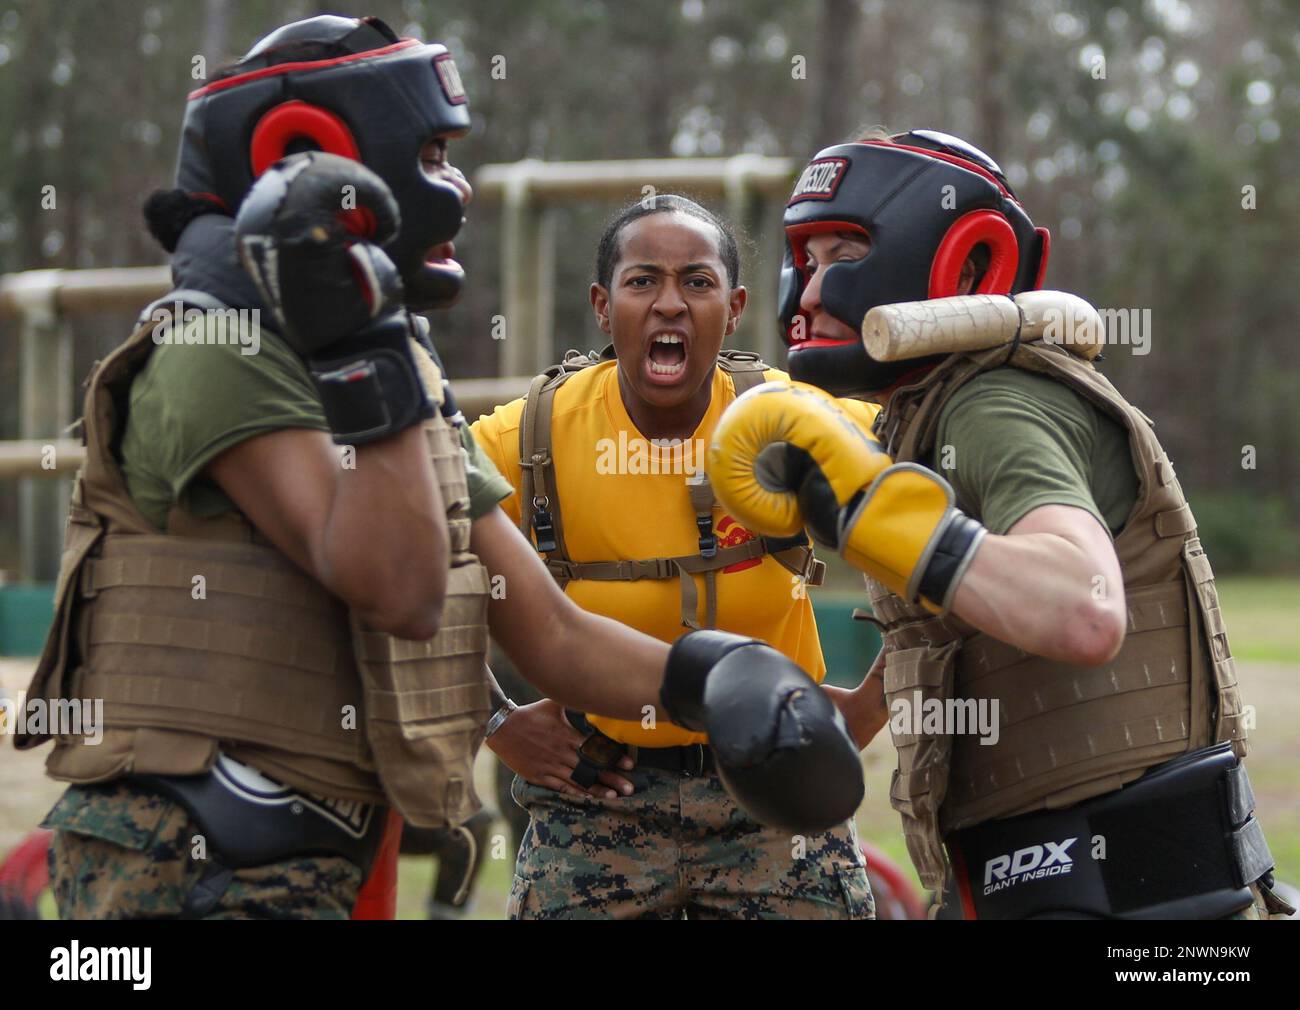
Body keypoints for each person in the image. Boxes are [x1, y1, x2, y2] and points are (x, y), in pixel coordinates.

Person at [14, 15, 859, 920]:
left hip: (302, 850)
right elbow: (401, 584)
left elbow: (550, 632)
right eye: (428, 154)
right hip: (179, 854)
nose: (454, 185)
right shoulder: (220, 350)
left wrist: (720, 682)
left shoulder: (394, 373)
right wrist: (368, 347)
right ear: (313, 159)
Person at [708, 128, 1292, 919]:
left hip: (1126, 899)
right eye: (803, 262)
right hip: (1053, 886)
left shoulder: (992, 404)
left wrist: (875, 518)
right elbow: (967, 621)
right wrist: (855, 715)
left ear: (967, 259)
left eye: (843, 256)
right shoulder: (927, 414)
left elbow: (1085, 609)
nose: (809, 294)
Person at [472, 195, 881, 919]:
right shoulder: (532, 435)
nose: (670, 304)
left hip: (776, 793)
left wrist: (872, 707)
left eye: (697, 282)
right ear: (602, 306)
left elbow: (946, 504)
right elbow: (402, 557)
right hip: (596, 800)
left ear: (734, 306)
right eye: (642, 281)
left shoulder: (794, 421)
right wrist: (496, 722)